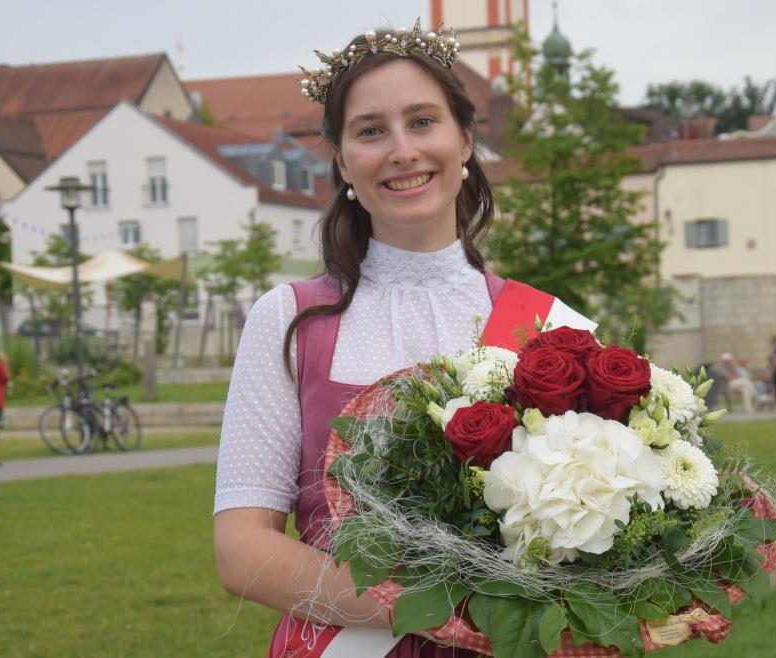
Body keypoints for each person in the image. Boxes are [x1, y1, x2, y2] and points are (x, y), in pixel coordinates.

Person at [214, 22, 500, 657]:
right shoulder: (289, 320)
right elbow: (241, 551)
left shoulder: (547, 328)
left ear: (465, 141)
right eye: (371, 131)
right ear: (343, 161)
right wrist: (443, 615)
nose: (402, 150)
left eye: (423, 121)